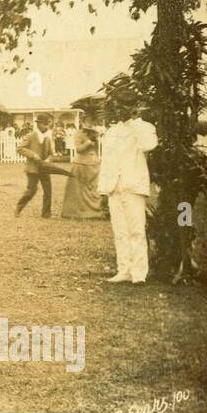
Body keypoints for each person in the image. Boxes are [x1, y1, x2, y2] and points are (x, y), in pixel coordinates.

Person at [98, 103, 158, 284]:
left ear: (135, 108)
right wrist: (103, 190)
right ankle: (123, 269)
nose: (121, 111)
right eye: (118, 108)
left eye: (125, 107)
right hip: (114, 187)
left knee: (137, 230)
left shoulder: (145, 127)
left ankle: (139, 273)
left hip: (133, 186)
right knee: (120, 231)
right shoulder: (112, 131)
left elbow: (149, 145)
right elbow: (106, 161)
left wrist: (135, 122)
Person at [61, 123, 105, 220]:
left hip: (93, 165)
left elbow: (96, 150)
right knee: (77, 190)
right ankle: (79, 213)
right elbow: (78, 149)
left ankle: (95, 212)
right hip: (81, 164)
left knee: (94, 188)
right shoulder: (78, 134)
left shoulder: (95, 133)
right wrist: (89, 141)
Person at [15, 114, 55, 218]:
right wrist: (33, 155)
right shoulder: (31, 136)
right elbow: (19, 148)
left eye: (44, 124)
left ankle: (46, 213)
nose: (42, 126)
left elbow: (51, 153)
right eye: (40, 124)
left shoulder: (48, 137)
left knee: (48, 190)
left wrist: (48, 159)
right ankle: (19, 207)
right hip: (32, 168)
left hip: (44, 168)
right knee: (31, 190)